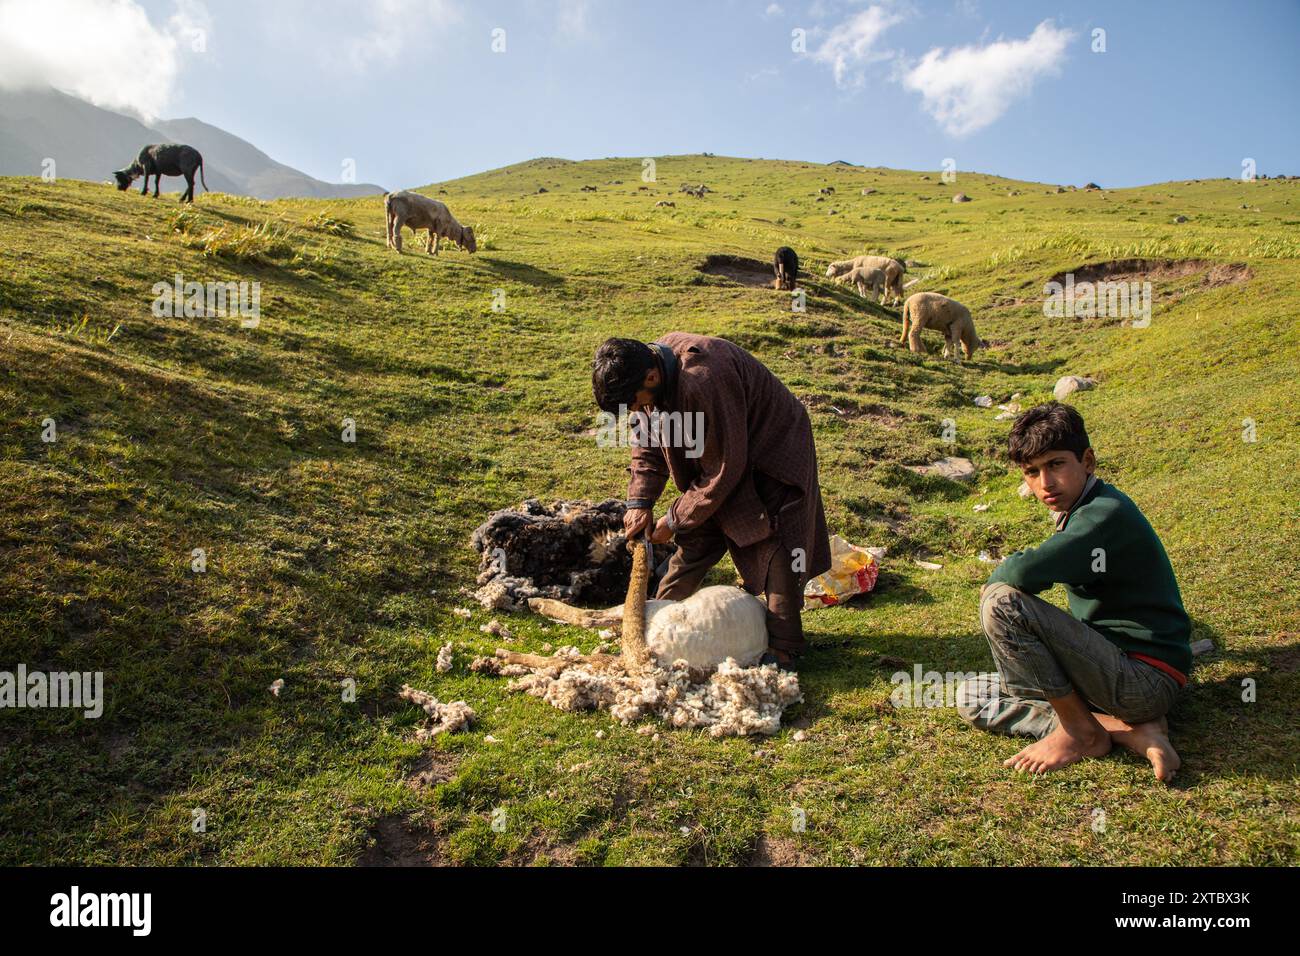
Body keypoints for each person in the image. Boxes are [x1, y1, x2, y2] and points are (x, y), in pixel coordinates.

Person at [957, 402, 1191, 781]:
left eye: (1056, 465)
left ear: (1088, 461)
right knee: (973, 695)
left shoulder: (1102, 515)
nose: (1045, 483)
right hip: (1114, 676)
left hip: (1141, 679)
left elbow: (1022, 570)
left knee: (1001, 602)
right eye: (1032, 472)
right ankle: (1125, 730)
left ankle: (1081, 732)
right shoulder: (1085, 507)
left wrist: (995, 581)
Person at [591, 334, 831, 668]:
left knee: (773, 540)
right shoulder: (645, 369)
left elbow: (723, 470)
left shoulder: (703, 379)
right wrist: (639, 503)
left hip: (771, 450)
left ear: (651, 378)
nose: (639, 411)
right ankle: (657, 624)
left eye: (636, 404)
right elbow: (647, 445)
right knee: (696, 538)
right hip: (719, 457)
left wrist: (674, 519)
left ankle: (783, 647)